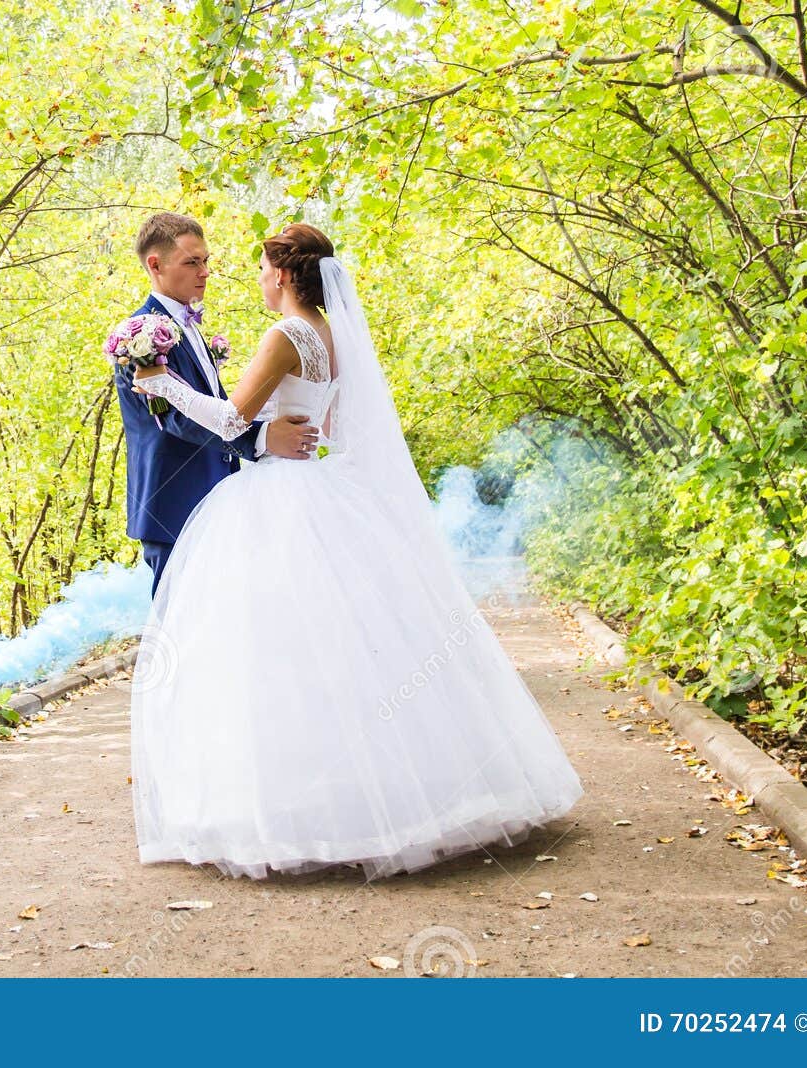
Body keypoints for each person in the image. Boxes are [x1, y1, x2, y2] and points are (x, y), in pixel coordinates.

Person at [122, 222, 584, 880]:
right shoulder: (333, 337)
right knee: (335, 648)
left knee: (271, 653)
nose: (251, 278)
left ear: (282, 275)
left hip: (277, 497)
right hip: (320, 486)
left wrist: (160, 383)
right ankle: (377, 794)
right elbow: (327, 424)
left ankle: (290, 805)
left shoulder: (284, 335)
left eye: (259, 268)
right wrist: (275, 429)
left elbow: (230, 418)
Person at [112, 213, 322, 595]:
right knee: (180, 626)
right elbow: (175, 420)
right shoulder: (138, 338)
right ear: (154, 265)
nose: (205, 272)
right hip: (174, 503)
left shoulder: (189, 326)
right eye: (192, 262)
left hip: (220, 494)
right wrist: (262, 439)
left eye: (206, 260)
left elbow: (217, 405)